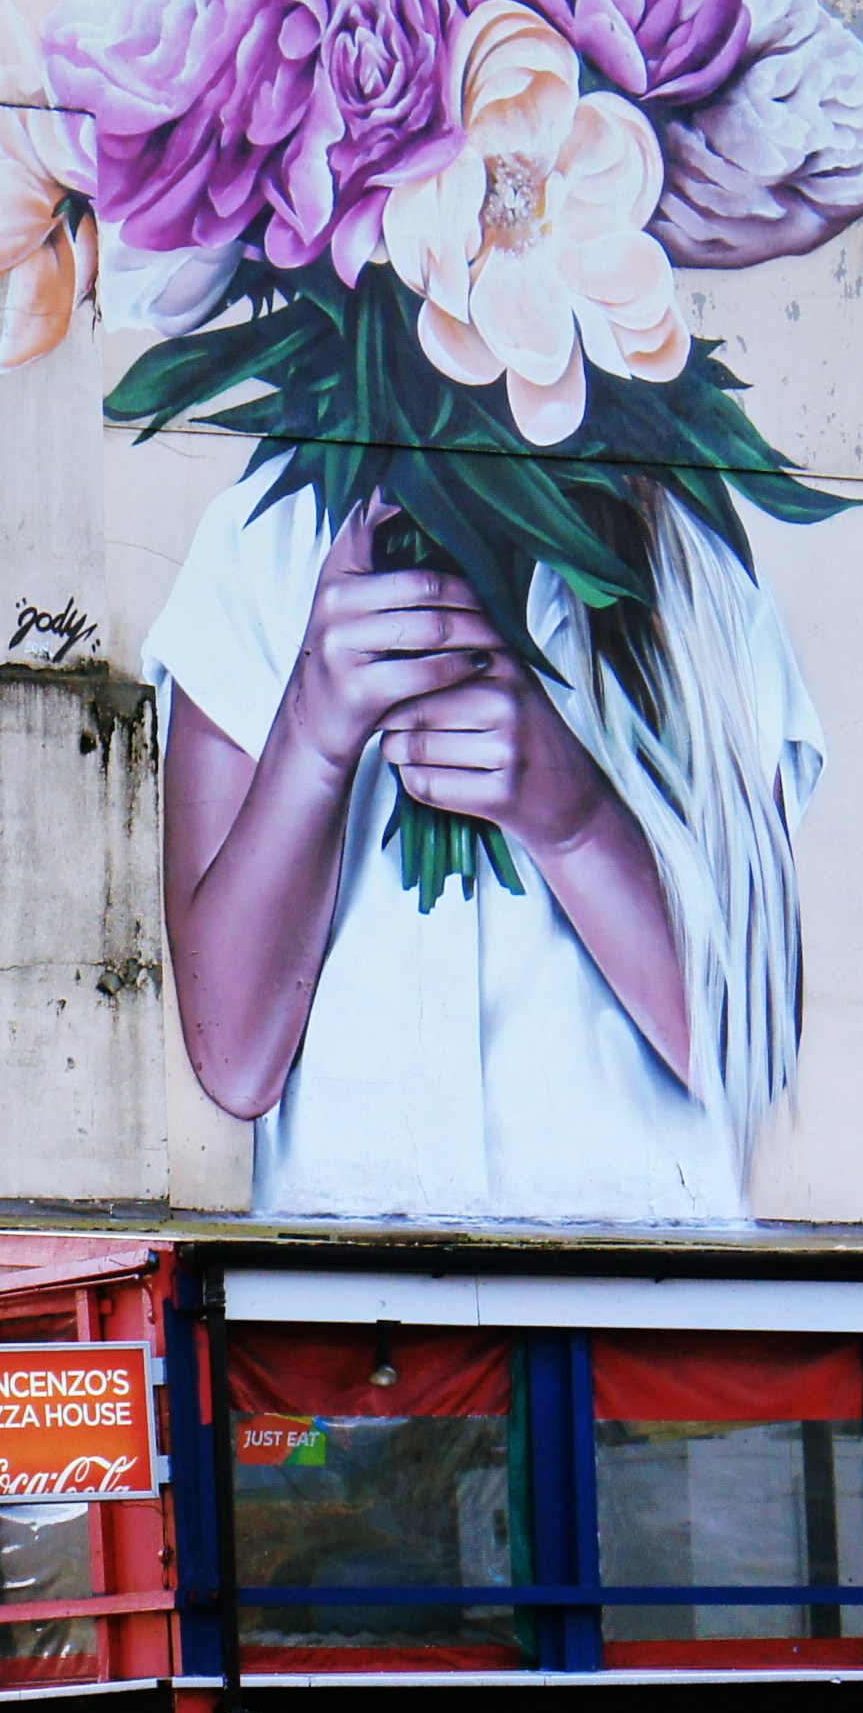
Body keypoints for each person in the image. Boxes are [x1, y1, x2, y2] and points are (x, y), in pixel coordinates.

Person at [148, 481, 822, 1222]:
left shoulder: (696, 564)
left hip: (644, 1289)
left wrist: (576, 820)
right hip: (349, 1290)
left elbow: (748, 1056)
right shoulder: (271, 533)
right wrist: (311, 737)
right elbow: (234, 1063)